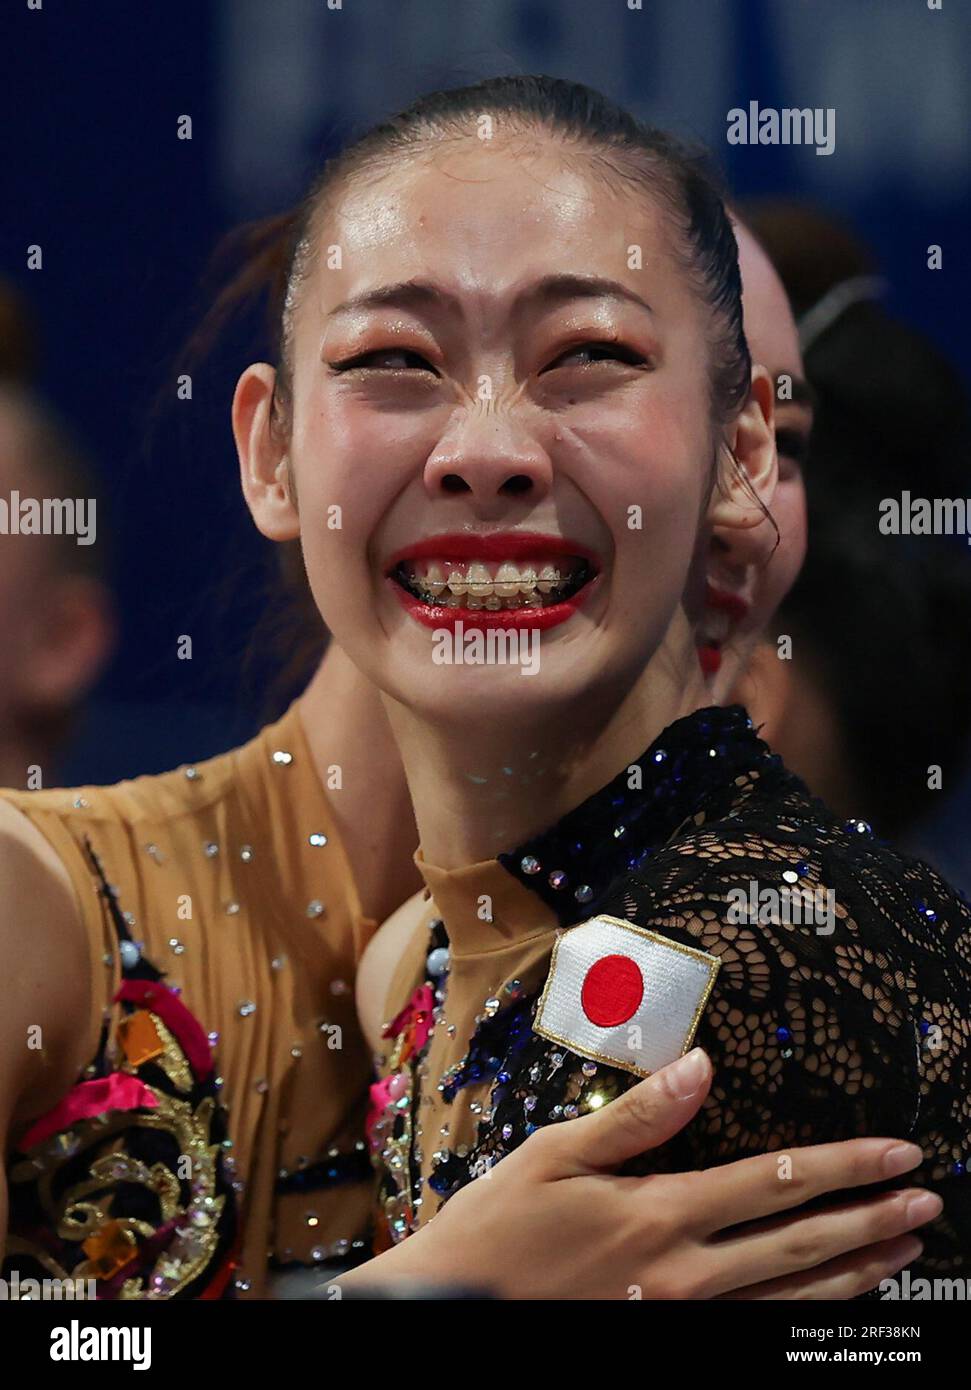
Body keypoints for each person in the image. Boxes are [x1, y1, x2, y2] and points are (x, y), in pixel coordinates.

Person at [0, 76, 946, 1302]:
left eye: (595, 363)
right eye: (397, 360)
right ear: (272, 454)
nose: (491, 451)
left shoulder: (771, 960)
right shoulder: (47, 908)